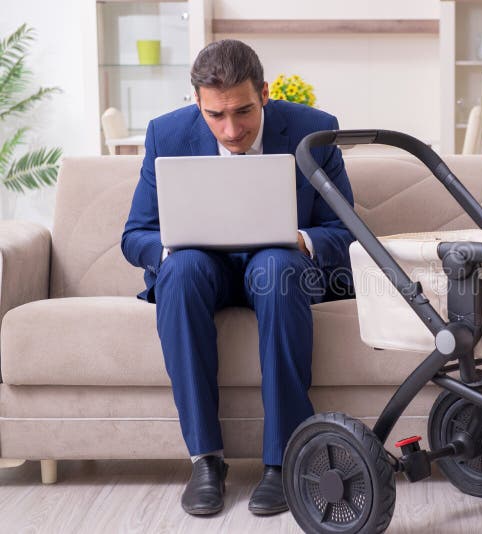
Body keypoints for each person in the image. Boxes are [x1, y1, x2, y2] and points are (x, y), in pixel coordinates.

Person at [120, 39, 354, 516]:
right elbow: (135, 235)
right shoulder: (166, 134)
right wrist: (171, 244)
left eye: (243, 111)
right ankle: (205, 461)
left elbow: (344, 230)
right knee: (179, 270)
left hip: (279, 271)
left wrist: (298, 239)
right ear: (197, 103)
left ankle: (284, 461)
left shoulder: (313, 130)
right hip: (203, 272)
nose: (231, 130)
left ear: (264, 93)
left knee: (277, 266)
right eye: (215, 115)